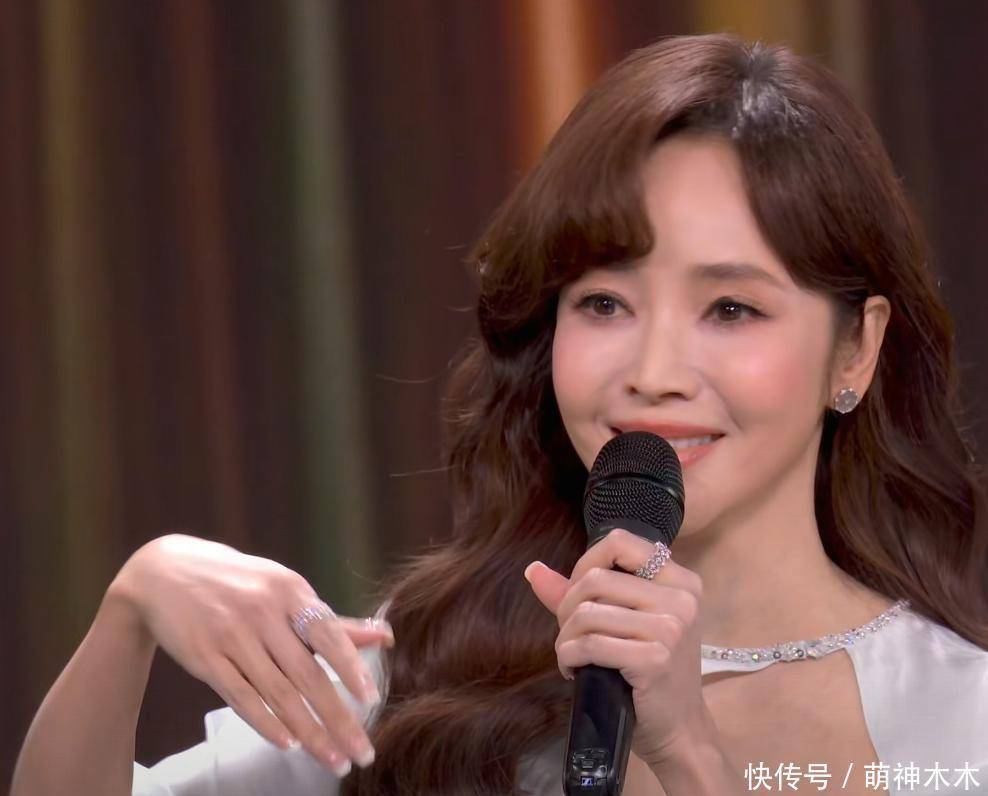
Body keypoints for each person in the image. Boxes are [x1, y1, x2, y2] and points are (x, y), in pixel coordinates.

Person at [12, 31, 988, 796]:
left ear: (855, 349)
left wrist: (688, 751)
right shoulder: (440, 662)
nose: (653, 373)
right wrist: (133, 608)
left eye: (730, 309)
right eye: (602, 303)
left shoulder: (963, 725)